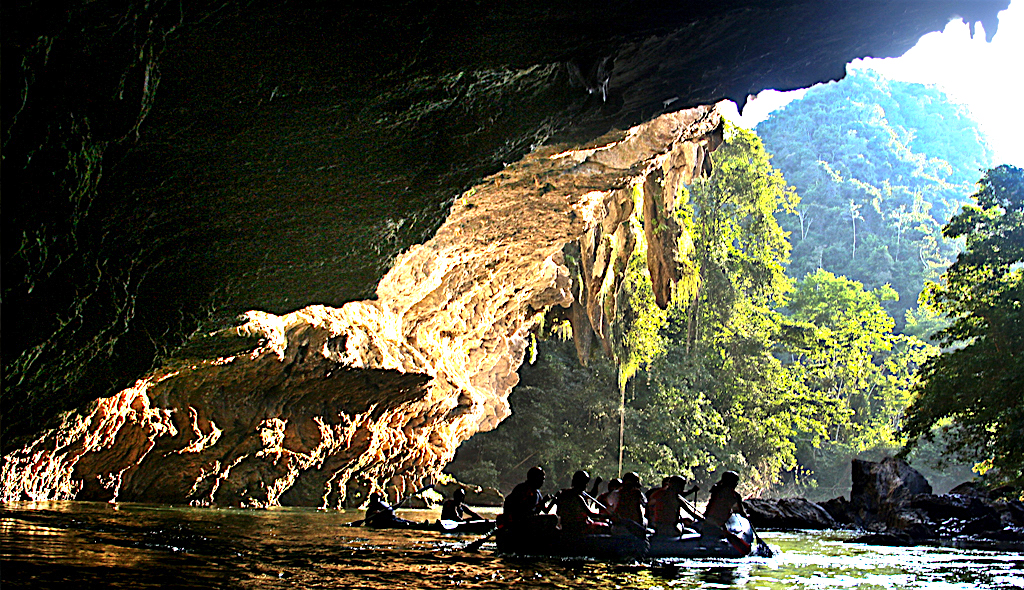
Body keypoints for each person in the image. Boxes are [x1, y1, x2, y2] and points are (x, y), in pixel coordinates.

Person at [550, 470, 611, 537]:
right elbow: (590, 514)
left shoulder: (564, 493)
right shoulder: (577, 496)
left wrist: (596, 484)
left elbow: (592, 495)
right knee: (605, 527)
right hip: (578, 528)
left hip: (566, 526)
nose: (586, 485)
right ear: (581, 483)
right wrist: (608, 515)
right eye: (585, 482)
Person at [501, 466, 559, 534]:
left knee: (553, 519)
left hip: (531, 521)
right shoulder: (522, 489)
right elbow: (523, 510)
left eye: (543, 479)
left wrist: (553, 501)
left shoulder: (537, 492)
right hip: (521, 522)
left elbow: (545, 510)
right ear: (532, 478)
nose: (542, 482)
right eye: (540, 479)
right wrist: (542, 502)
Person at [700, 471, 747, 540]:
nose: (736, 484)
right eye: (735, 482)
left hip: (710, 524)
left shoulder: (716, 490)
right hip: (714, 525)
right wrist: (746, 517)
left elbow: (714, 488)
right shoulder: (734, 496)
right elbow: (741, 512)